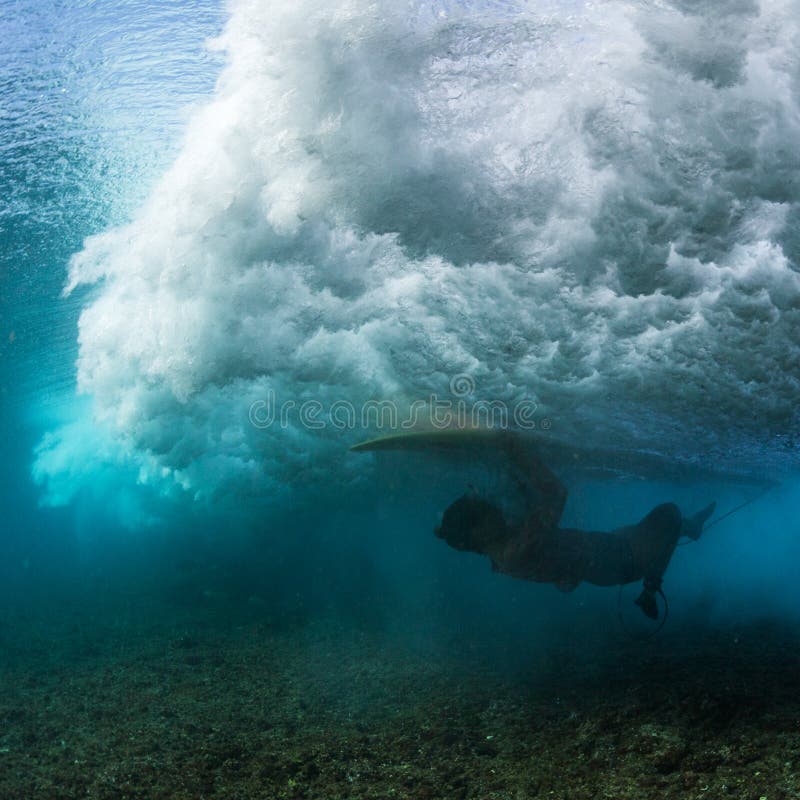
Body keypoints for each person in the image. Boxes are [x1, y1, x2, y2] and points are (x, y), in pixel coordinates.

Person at [434, 435, 716, 619]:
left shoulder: (500, 554)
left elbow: (528, 506)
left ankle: (691, 528)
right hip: (622, 559)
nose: (494, 508)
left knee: (665, 530)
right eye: (486, 512)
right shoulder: (516, 550)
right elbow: (556, 494)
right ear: (477, 534)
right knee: (669, 513)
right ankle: (650, 590)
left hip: (607, 557)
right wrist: (514, 447)